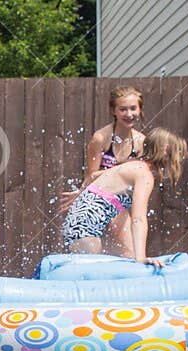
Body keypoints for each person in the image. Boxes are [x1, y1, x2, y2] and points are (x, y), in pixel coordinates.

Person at [59, 128, 188, 264]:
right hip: (86, 227)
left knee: (107, 262)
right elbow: (138, 219)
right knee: (91, 270)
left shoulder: (132, 165)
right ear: (166, 150)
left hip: (76, 222)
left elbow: (93, 176)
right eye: (178, 154)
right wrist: (141, 258)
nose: (179, 160)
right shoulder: (145, 175)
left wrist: (82, 194)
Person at [55, 85, 147, 256]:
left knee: (130, 253)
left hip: (120, 204)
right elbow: (91, 176)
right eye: (123, 109)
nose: (129, 114)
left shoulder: (141, 142)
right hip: (99, 200)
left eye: (133, 108)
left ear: (140, 109)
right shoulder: (101, 139)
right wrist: (81, 193)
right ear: (113, 111)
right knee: (92, 251)